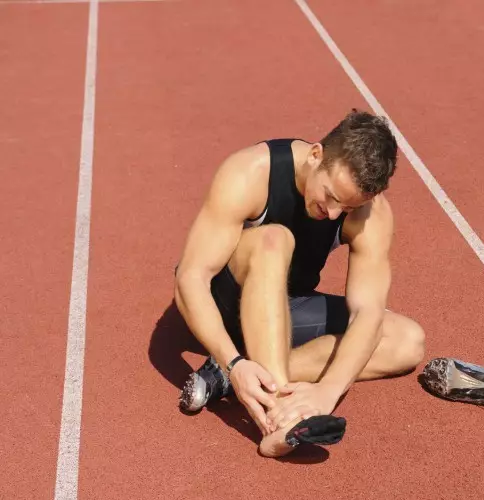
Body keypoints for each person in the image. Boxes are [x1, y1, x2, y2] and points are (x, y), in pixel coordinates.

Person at [173, 109, 426, 457]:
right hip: (226, 302)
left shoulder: (370, 213)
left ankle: (233, 376)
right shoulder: (250, 173)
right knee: (274, 239)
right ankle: (279, 419)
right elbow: (190, 278)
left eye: (349, 207)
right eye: (332, 197)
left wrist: (329, 390)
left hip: (286, 307)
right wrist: (232, 360)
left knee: (407, 341)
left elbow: (367, 312)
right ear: (316, 155)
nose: (335, 213)